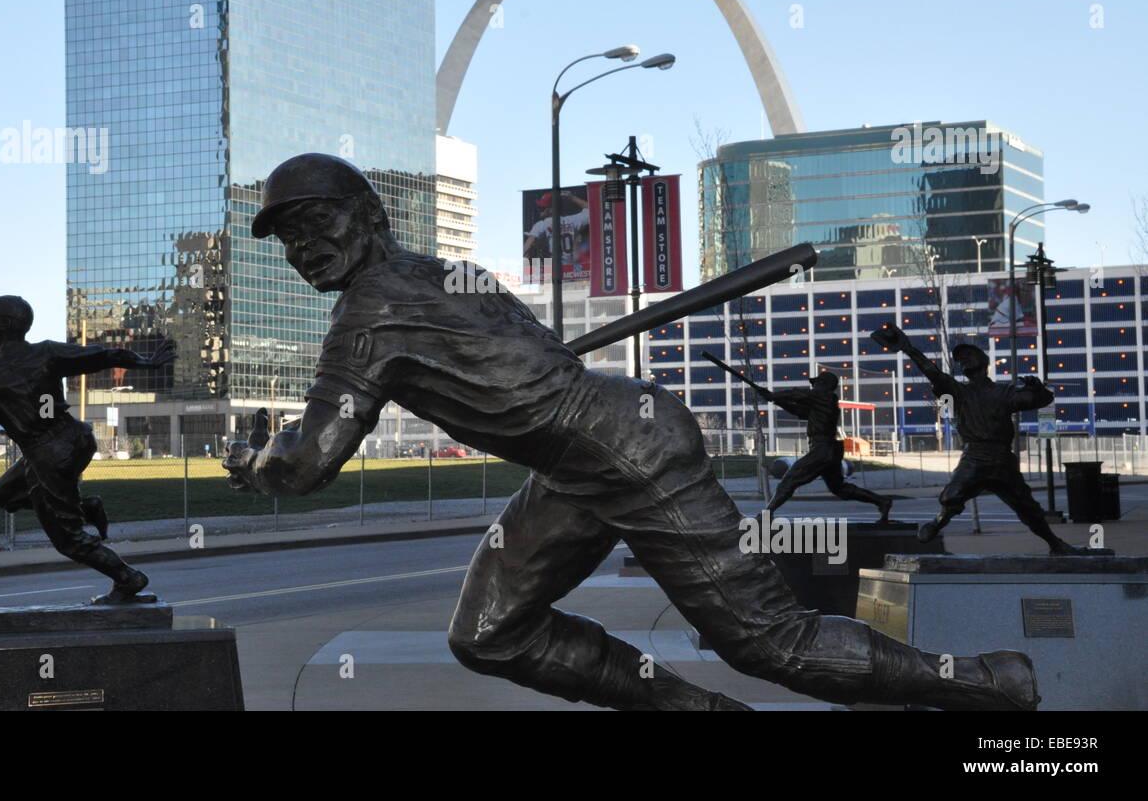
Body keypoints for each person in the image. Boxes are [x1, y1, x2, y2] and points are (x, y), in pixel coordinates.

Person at [223, 153, 1039, 711]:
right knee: (488, 631)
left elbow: (306, 467)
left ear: (369, 214)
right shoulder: (436, 273)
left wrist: (255, 461)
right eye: (289, 237)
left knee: (768, 641)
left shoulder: (370, 313)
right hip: (575, 463)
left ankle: (990, 679)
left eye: (317, 222)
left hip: (623, 449)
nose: (304, 247)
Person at [0, 296, 176, 602]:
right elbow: (101, 354)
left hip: (47, 453)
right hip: (75, 437)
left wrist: (1, 417)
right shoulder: (46, 352)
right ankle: (85, 507)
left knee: (69, 540)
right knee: (3, 494)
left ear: (6, 325)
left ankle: (129, 579)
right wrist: (146, 362)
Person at [871, 323, 1086, 554]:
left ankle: (1056, 545)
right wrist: (909, 349)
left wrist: (1037, 389)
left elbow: (1040, 401)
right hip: (975, 456)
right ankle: (938, 523)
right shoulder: (959, 392)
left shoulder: (1004, 393)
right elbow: (933, 372)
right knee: (952, 495)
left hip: (1002, 459)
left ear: (984, 362)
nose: (963, 361)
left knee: (1028, 508)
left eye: (968, 356)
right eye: (960, 360)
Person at [762, 371, 893, 520]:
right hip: (829, 449)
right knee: (840, 489)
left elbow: (797, 394)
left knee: (790, 480)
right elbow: (798, 410)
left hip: (822, 449)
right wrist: (775, 400)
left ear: (824, 385)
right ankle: (882, 501)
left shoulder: (825, 397)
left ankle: (767, 514)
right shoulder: (823, 403)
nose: (813, 386)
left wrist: (773, 395)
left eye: (816, 383)